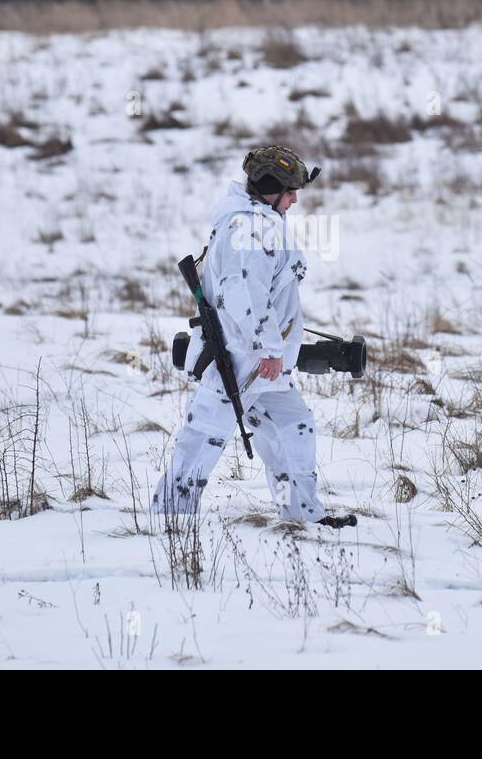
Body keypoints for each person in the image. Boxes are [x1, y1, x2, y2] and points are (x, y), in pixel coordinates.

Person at [152, 145, 356, 529]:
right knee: (204, 436)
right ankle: (169, 518)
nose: (295, 198)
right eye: (290, 190)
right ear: (269, 187)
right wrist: (267, 346)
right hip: (243, 359)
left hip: (262, 361)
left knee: (293, 429)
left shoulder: (258, 221)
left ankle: (300, 514)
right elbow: (244, 292)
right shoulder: (248, 227)